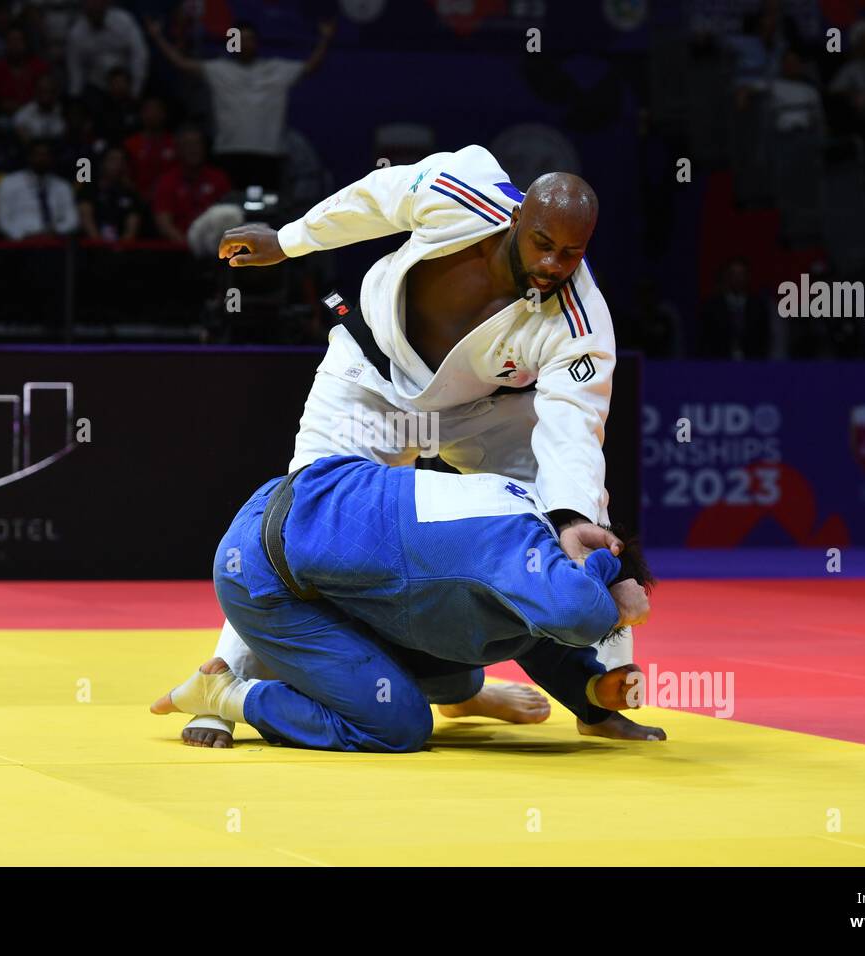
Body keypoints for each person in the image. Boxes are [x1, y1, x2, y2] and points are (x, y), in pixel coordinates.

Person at [185, 144, 628, 748]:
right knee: (303, 524)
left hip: (480, 412)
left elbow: (574, 424)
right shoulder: (461, 188)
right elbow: (372, 201)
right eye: (543, 242)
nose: (554, 263)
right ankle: (224, 682)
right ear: (520, 217)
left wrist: (572, 513)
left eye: (572, 252)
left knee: (566, 524)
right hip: (370, 379)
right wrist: (288, 241)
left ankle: (591, 693)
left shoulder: (581, 321)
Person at [151, 455, 664, 752]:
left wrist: (595, 699)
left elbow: (543, 632)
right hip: (264, 576)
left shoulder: (531, 515)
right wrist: (613, 599)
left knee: (463, 670)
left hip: (302, 506)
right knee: (398, 724)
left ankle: (452, 693)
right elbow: (575, 612)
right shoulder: (516, 545)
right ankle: (222, 695)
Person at [146, 16, 334, 191]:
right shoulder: (218, 69)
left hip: (269, 153)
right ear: (233, 43)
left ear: (257, 42)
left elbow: (310, 67)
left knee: (268, 212)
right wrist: (157, 36)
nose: (244, 44)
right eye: (239, 39)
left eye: (249, 39)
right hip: (229, 153)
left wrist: (325, 39)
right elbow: (181, 63)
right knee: (230, 213)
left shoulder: (277, 69)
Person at [0, 138, 78, 239]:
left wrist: (56, 231)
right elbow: (2, 219)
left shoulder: (62, 186)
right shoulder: (9, 183)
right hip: (19, 244)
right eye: (38, 154)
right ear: (29, 157)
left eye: (46, 155)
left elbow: (72, 219)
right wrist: (23, 236)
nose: (42, 158)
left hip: (55, 243)